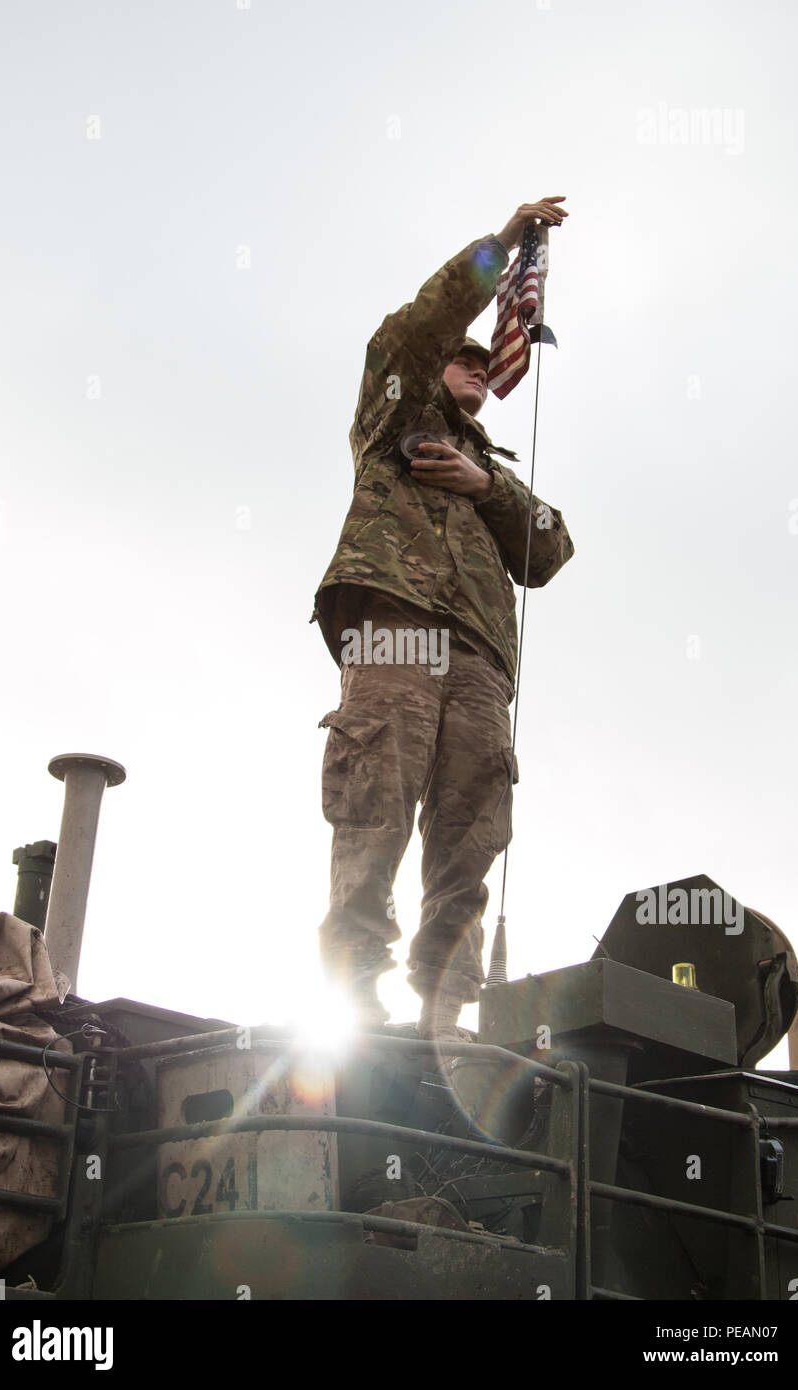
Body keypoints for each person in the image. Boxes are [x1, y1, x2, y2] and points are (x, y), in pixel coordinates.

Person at [310, 198, 574, 1042]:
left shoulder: (488, 471)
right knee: (377, 802)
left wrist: (483, 484)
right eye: (459, 359)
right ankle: (354, 990)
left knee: (471, 830)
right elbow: (411, 331)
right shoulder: (394, 418)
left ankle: (442, 1012)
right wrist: (500, 250)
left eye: (478, 363)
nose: (471, 366)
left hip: (481, 662)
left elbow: (550, 551)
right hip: (398, 626)